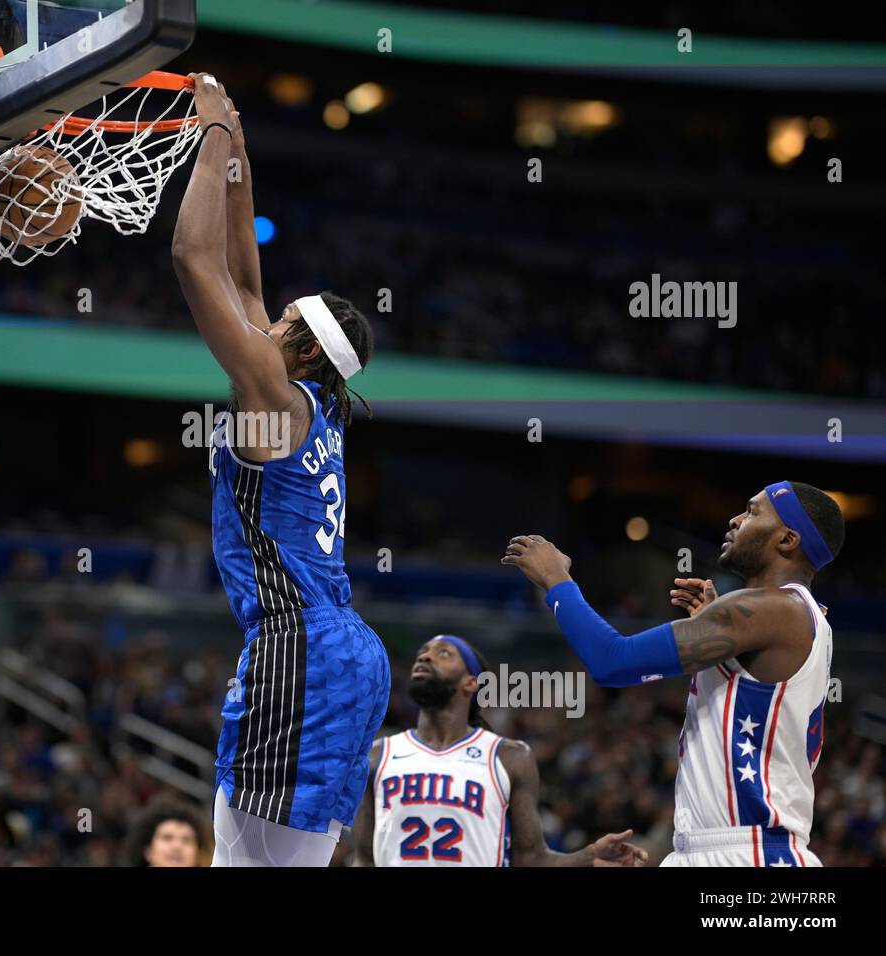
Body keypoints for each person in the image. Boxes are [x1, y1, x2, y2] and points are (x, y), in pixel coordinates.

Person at [172, 73, 388, 866]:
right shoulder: (312, 402)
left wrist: (212, 139)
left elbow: (195, 259)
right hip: (338, 652)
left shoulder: (276, 397)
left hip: (303, 647)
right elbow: (244, 274)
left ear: (298, 349)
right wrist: (240, 154)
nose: (267, 320)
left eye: (284, 322)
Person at [502, 482, 843, 866]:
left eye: (751, 512)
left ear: (787, 539)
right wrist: (721, 640)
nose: (734, 520)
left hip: (748, 852)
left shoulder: (774, 610)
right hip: (722, 845)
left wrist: (556, 580)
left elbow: (613, 661)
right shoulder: (792, 616)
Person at [352, 635, 646, 866]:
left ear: (471, 682)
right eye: (422, 653)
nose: (426, 656)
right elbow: (364, 859)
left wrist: (588, 856)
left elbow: (531, 859)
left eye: (443, 653)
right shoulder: (379, 754)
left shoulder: (509, 757)